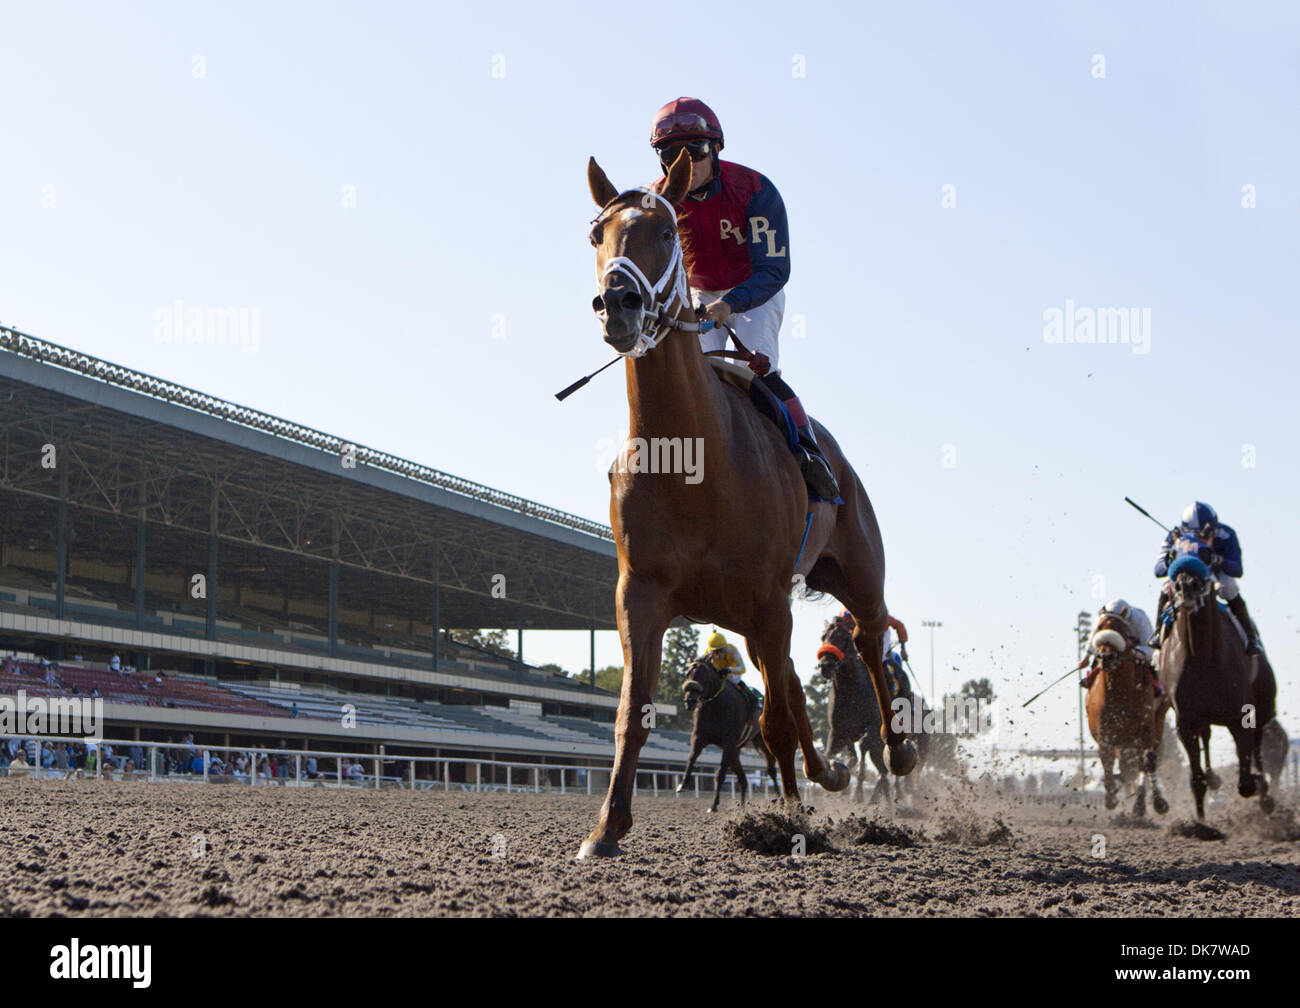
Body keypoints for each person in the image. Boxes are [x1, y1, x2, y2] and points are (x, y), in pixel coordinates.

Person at [649, 97, 838, 500]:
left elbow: (774, 270)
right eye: (669, 153)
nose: (682, 163)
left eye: (694, 151)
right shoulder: (657, 202)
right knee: (691, 375)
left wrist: (730, 304)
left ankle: (808, 451)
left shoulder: (755, 190)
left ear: (715, 148)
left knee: (755, 370)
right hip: (697, 291)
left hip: (754, 289)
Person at [1153, 502, 1261, 655]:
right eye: (1193, 534)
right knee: (1166, 585)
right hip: (1185, 572)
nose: (1198, 538)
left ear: (1213, 528)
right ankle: (1158, 633)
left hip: (1215, 573)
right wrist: (1170, 559)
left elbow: (1237, 569)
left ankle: (1251, 637)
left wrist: (1217, 560)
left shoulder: (1227, 534)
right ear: (1185, 529)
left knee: (1228, 585)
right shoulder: (1174, 535)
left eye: (1203, 534)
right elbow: (1158, 570)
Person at [1078, 598, 1162, 696]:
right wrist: (1086, 657)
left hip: (1135, 652)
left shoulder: (1140, 619)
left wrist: (1129, 651)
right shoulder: (1102, 618)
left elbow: (1149, 650)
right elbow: (1093, 638)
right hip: (1110, 651)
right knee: (1102, 656)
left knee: (1148, 665)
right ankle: (1091, 678)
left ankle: (1156, 686)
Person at [703, 630, 760, 713]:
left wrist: (729, 670)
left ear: (725, 647)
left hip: (732, 674)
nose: (719, 655)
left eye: (721, 651)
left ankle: (753, 700)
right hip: (717, 674)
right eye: (716, 652)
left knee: (733, 679)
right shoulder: (707, 654)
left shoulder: (732, 650)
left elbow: (743, 668)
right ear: (711, 651)